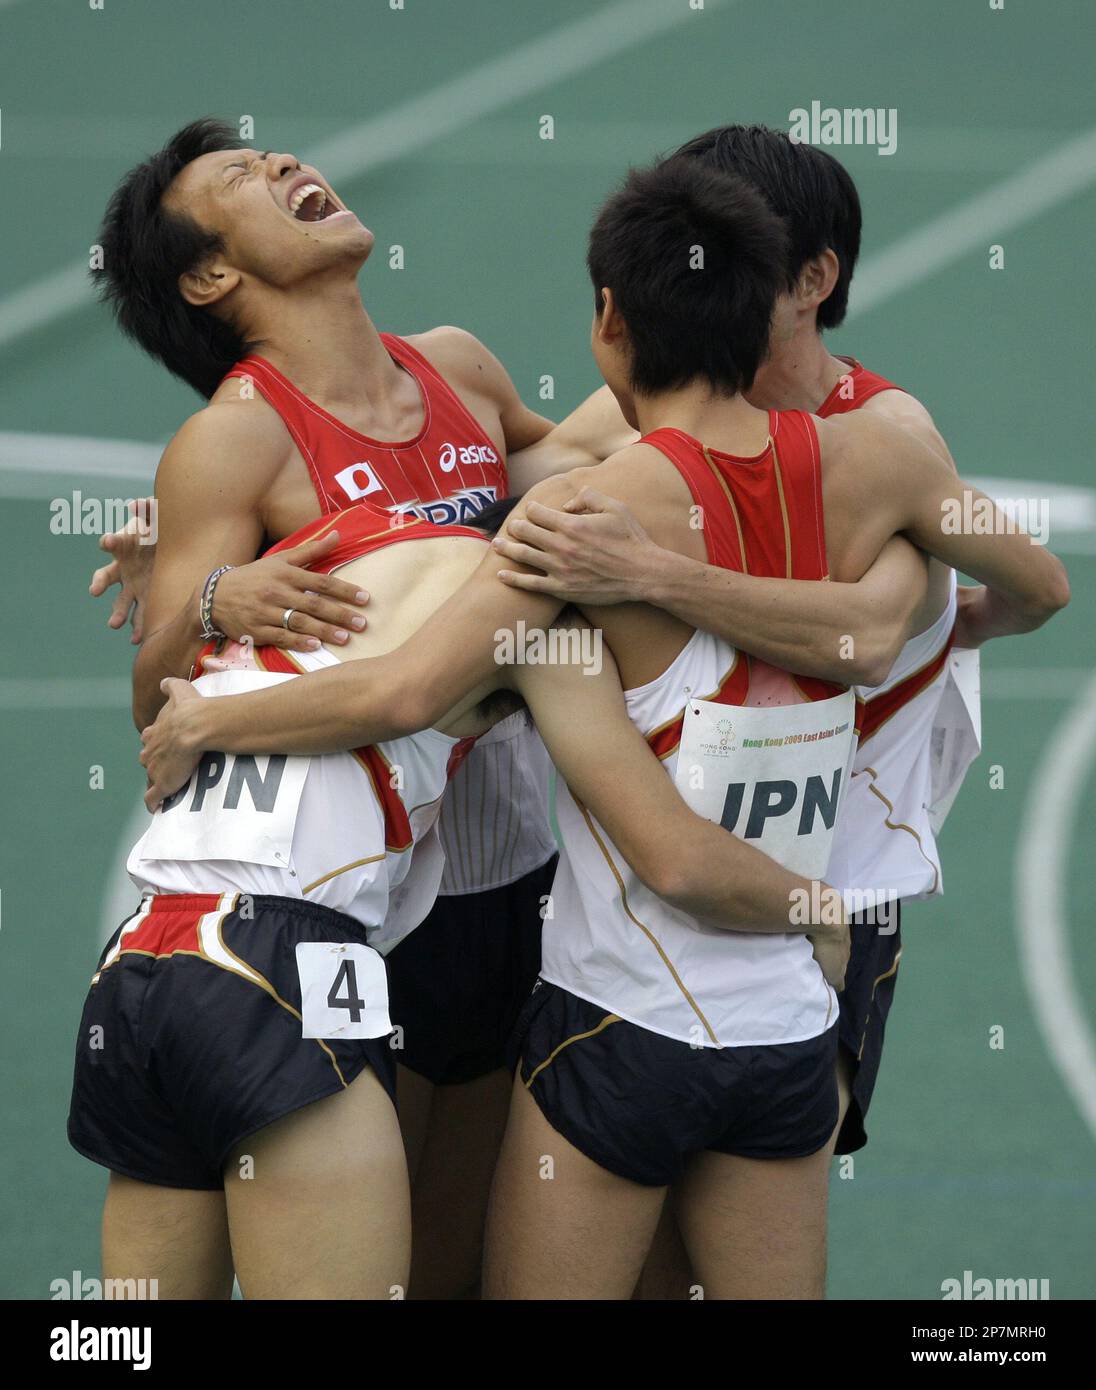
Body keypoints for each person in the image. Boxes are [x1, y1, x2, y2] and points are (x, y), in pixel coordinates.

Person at [139, 156, 1067, 1297]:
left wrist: (205, 702)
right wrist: (935, 612)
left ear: (610, 323)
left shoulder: (561, 504)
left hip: (591, 983)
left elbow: (419, 683)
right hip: (717, 976)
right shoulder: (880, 459)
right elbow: (1021, 589)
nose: (284, 163)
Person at [71, 494, 848, 1300]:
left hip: (138, 969)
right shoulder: (520, 611)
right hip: (280, 974)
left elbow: (156, 703)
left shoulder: (300, 565)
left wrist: (188, 591)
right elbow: (669, 852)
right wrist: (815, 907)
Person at [88, 116, 574, 1297]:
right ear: (209, 274)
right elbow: (156, 708)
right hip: (367, 910)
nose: (289, 166)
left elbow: (584, 482)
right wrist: (207, 593)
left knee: (464, 1261)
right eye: (242, 178)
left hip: (525, 871)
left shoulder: (456, 365)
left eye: (275, 155)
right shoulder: (232, 442)